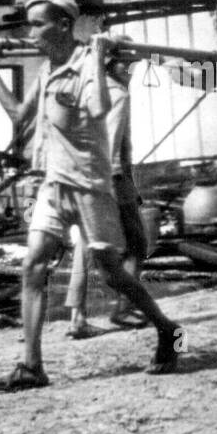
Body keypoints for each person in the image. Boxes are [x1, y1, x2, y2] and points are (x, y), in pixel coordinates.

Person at [0, 0, 182, 391]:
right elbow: (19, 116)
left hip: (90, 186)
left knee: (112, 275)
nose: (31, 33)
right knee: (33, 265)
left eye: (38, 25)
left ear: (63, 25)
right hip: (55, 185)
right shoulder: (47, 68)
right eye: (29, 25)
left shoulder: (89, 62)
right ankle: (30, 365)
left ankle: (166, 329)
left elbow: (99, 111)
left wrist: (99, 62)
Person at [66, 49, 150, 338]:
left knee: (87, 245)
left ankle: (77, 316)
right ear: (117, 66)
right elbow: (111, 143)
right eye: (129, 65)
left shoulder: (86, 91)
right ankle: (125, 306)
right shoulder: (118, 95)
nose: (132, 71)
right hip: (110, 177)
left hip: (80, 175)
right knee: (136, 244)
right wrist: (117, 184)